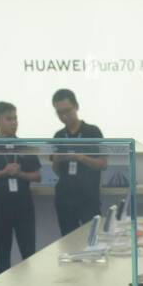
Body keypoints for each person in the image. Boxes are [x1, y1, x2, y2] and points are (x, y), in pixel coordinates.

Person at [0, 102, 40, 273]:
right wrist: (4, 172)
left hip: (24, 207)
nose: (14, 123)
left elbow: (38, 176)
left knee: (29, 254)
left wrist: (20, 175)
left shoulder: (25, 146)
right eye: (8, 119)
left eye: (15, 118)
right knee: (2, 253)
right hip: (0, 207)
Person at [50, 88, 106, 235]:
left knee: (93, 240)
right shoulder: (59, 135)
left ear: (76, 106)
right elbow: (56, 170)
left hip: (88, 198)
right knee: (68, 244)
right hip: (65, 199)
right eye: (60, 112)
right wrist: (57, 160)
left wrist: (81, 158)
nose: (65, 116)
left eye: (68, 110)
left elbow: (103, 164)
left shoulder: (92, 131)